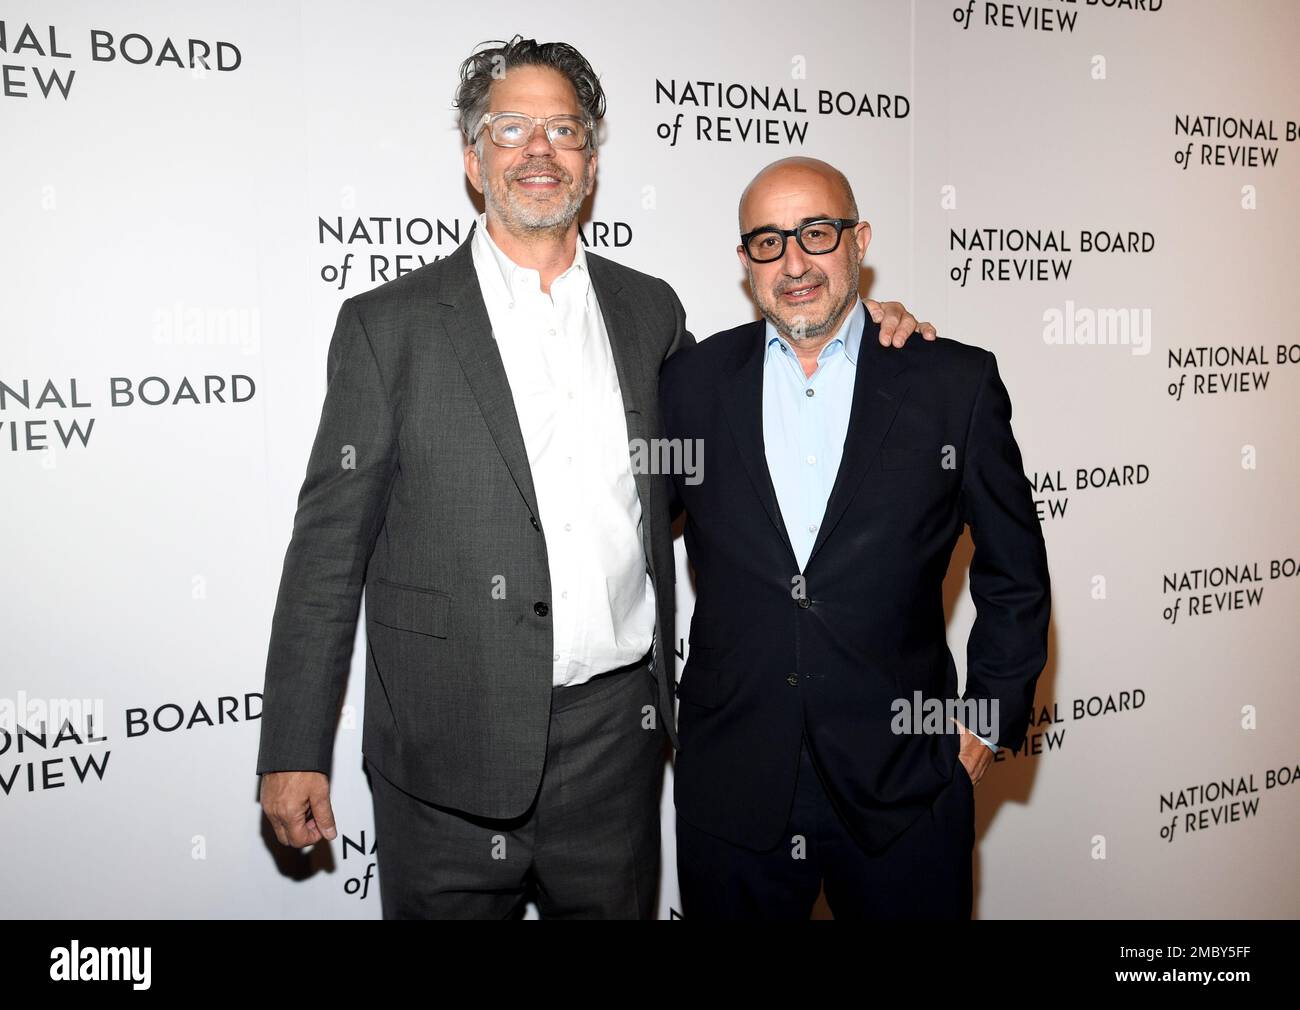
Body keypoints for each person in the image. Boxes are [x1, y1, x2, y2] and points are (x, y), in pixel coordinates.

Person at [254, 40, 934, 919]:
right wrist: (292, 747)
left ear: (592, 161)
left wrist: (852, 327)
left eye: (564, 129)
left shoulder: (650, 311)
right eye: (512, 128)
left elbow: (748, 432)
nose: (539, 149)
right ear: (473, 158)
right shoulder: (389, 328)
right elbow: (325, 555)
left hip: (618, 748)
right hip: (442, 760)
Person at [659, 156, 1051, 919]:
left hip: (906, 783)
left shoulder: (950, 383)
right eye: (768, 242)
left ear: (858, 241)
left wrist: (986, 718)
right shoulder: (691, 384)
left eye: (817, 233)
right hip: (733, 785)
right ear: (745, 262)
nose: (795, 262)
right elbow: (627, 530)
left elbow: (1016, 573)